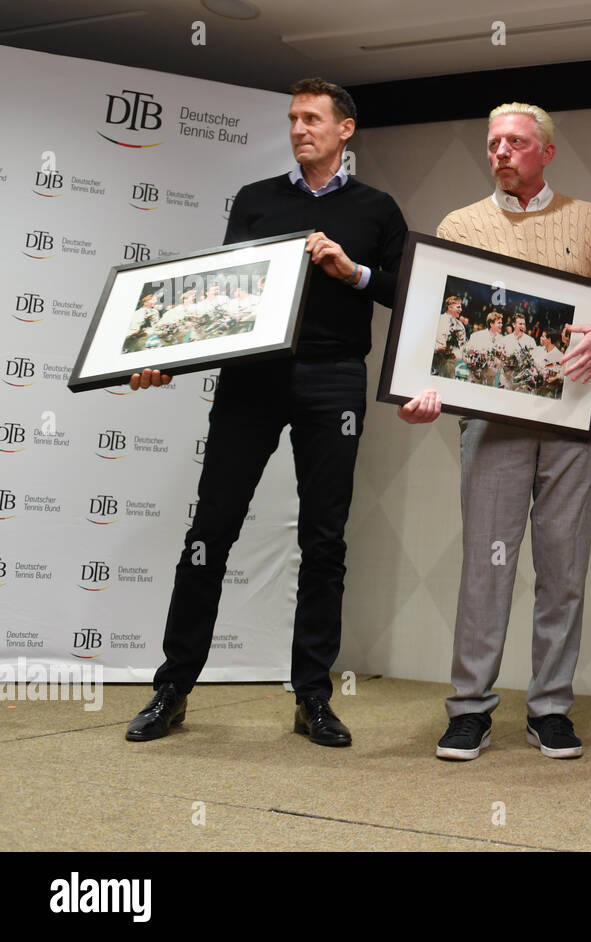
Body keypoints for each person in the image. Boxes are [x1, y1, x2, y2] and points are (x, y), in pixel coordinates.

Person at [124, 77, 422, 748]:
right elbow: (220, 298)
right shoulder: (256, 200)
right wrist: (163, 357)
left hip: (335, 378)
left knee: (323, 542)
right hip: (250, 380)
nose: (298, 128)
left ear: (345, 130)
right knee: (210, 531)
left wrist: (354, 273)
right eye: (292, 118)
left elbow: (408, 292)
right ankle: (171, 689)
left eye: (312, 118)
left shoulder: (378, 209)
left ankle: (312, 698)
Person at [402, 102, 591, 761]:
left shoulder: (588, 221)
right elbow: (436, 323)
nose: (501, 151)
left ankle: (551, 709)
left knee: (563, 570)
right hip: (493, 424)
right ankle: (470, 709)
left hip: (574, 421)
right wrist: (426, 388)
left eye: (516, 141)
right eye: (493, 141)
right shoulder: (461, 225)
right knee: (487, 567)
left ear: (546, 152)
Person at [433, 296, 467, 378]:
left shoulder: (460, 325)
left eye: (461, 307)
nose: (461, 310)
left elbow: (463, 346)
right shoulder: (438, 319)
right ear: (450, 307)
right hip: (436, 364)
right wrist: (437, 349)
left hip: (453, 366)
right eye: (458, 307)